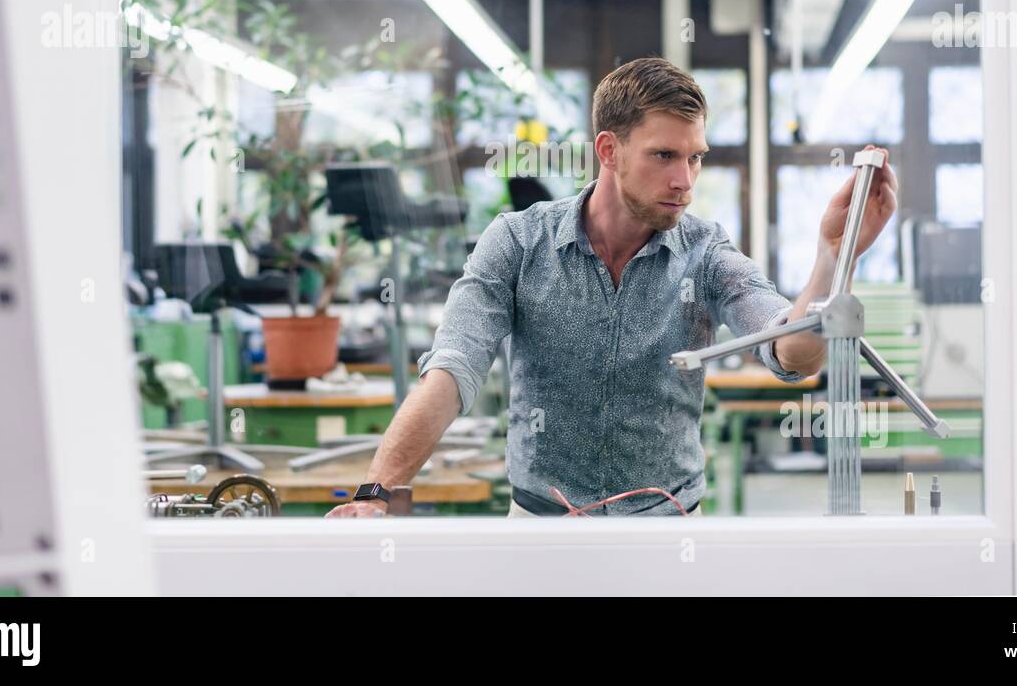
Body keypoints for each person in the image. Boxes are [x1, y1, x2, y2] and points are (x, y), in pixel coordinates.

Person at [327, 57, 896, 517]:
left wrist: (833, 256)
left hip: (669, 530)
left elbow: (792, 353)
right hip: (542, 532)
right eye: (664, 156)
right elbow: (452, 370)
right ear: (608, 150)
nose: (685, 181)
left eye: (696, 159)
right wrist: (379, 491)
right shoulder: (518, 242)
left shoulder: (706, 250)